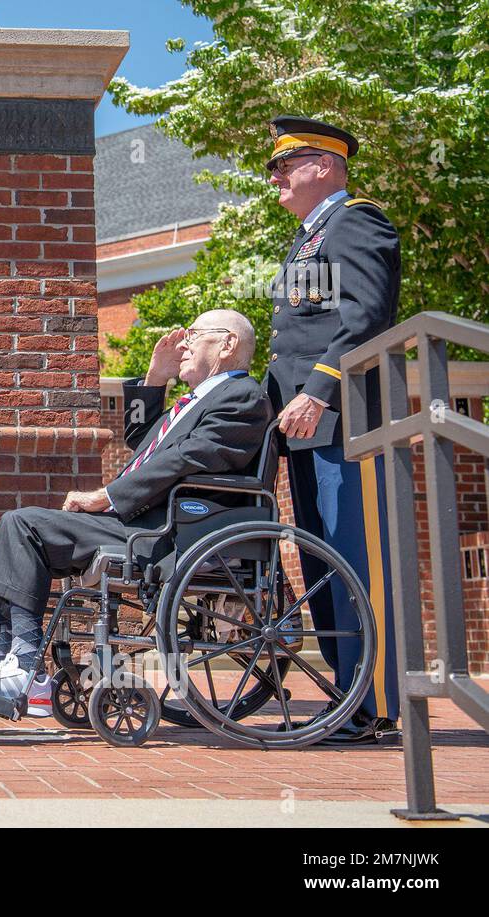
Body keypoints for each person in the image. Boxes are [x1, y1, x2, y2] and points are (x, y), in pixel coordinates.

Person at [0, 310, 271, 712]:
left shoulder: (242, 396)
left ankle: (24, 667)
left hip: (172, 532)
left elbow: (187, 459)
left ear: (227, 345)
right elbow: (144, 445)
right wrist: (155, 380)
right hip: (139, 523)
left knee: (23, 525)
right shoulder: (196, 401)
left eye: (195, 334)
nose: (185, 342)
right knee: (9, 528)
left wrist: (106, 495)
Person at [264, 115, 401, 745]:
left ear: (324, 165)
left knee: (351, 556)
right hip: (305, 426)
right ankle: (348, 698)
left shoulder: (356, 220)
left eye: (285, 164)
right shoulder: (306, 240)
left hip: (341, 416)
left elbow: (366, 315)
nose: (276, 177)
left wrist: (319, 389)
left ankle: (371, 702)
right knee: (322, 560)